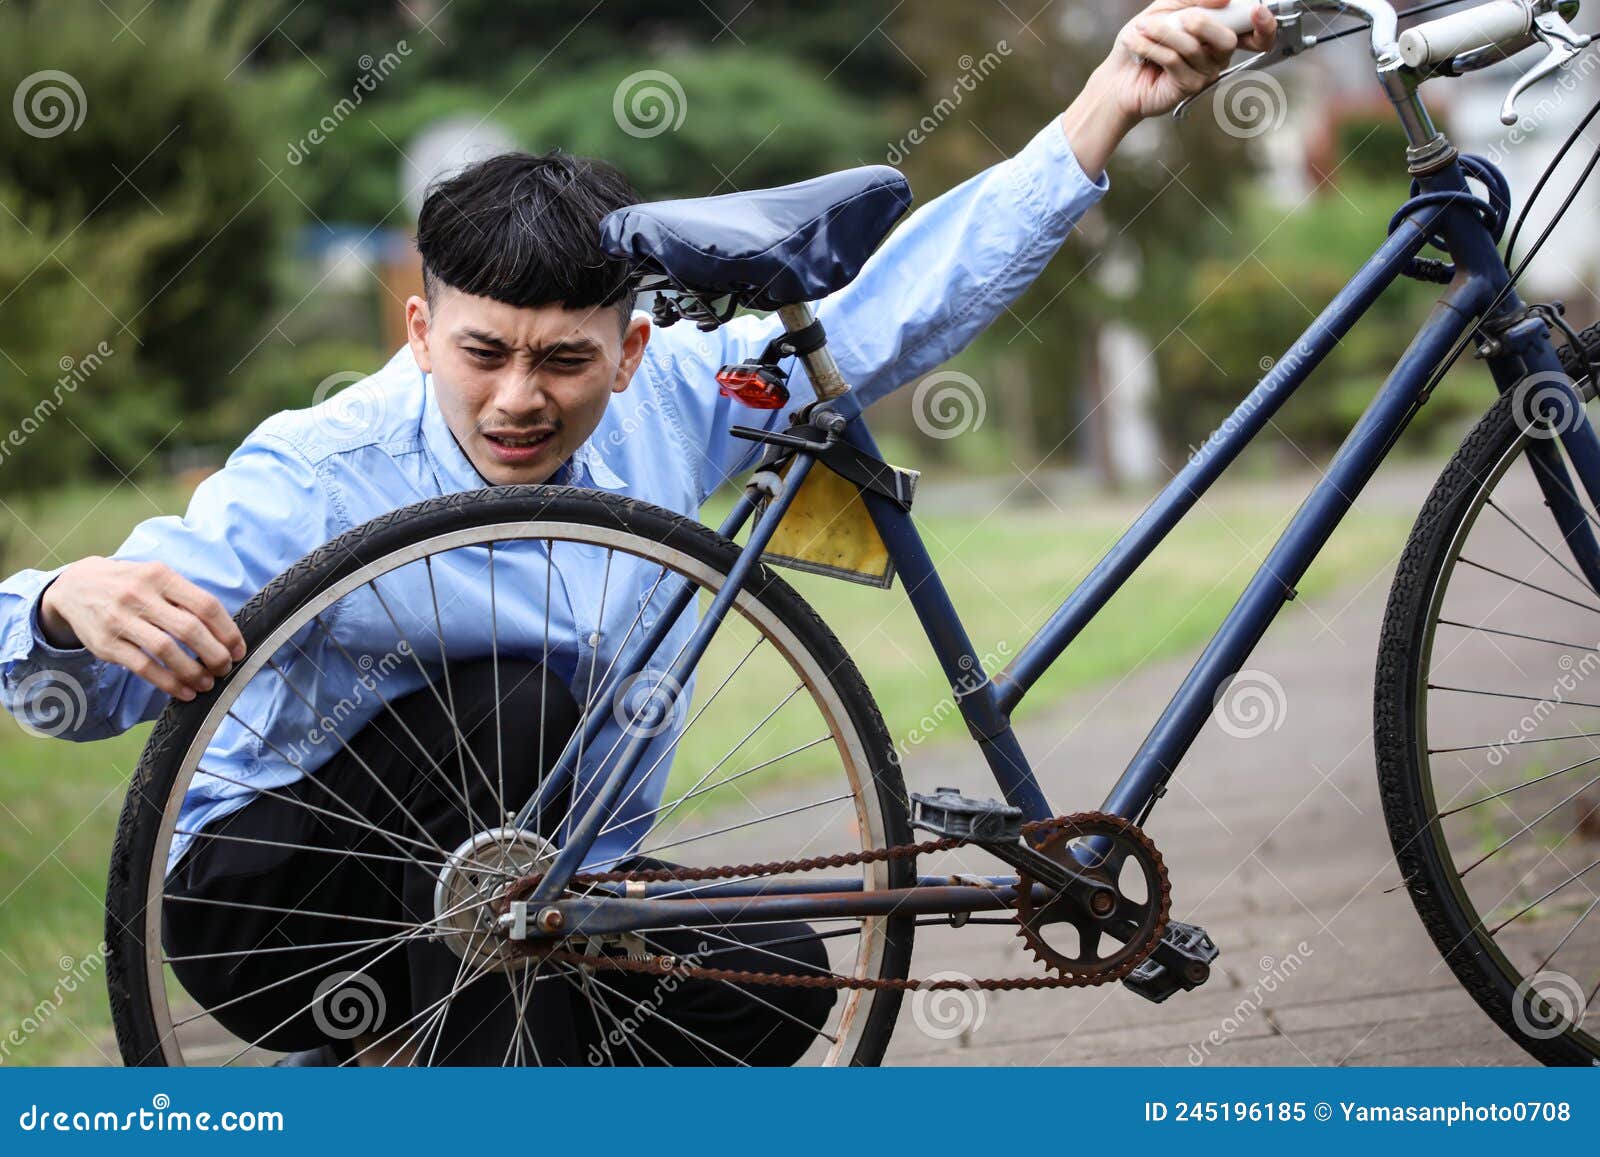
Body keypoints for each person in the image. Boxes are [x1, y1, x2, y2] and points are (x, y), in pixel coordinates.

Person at [0, 1, 1275, 1065]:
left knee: (779, 977)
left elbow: (889, 312)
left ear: (631, 351)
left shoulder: (677, 396)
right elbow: (89, 684)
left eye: (564, 360)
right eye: (482, 353)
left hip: (542, 894)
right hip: (277, 910)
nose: (518, 398)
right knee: (518, 702)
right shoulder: (319, 473)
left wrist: (1107, 100)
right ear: (416, 331)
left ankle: (431, 1061)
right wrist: (65, 596)